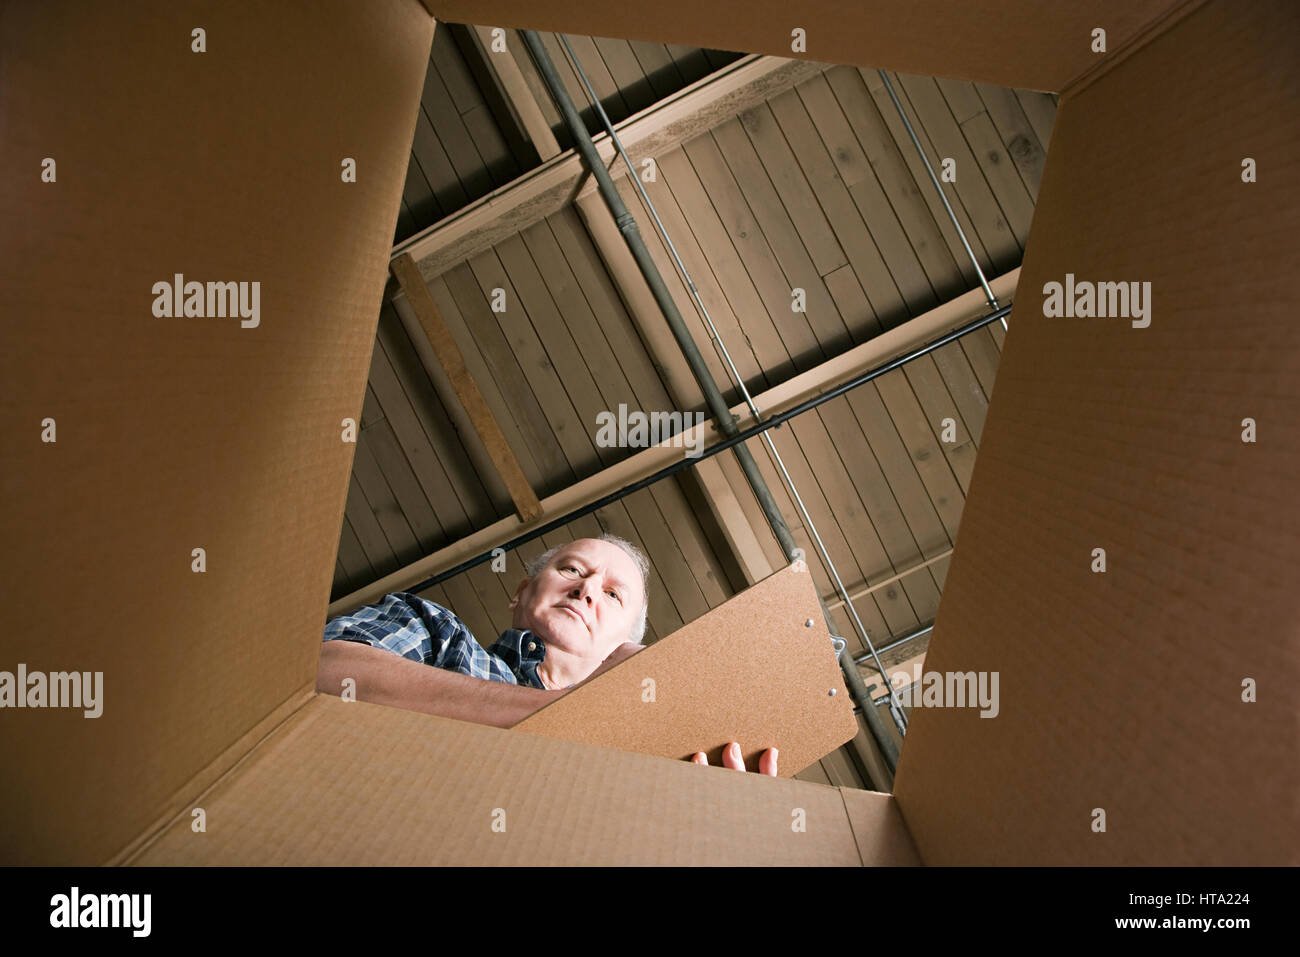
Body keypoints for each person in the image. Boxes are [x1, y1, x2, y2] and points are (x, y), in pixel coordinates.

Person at [318, 534, 777, 775]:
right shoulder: (436, 630)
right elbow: (323, 674)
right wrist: (581, 718)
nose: (586, 588)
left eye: (614, 595)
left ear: (624, 645)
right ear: (521, 593)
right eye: (572, 569)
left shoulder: (647, 760)